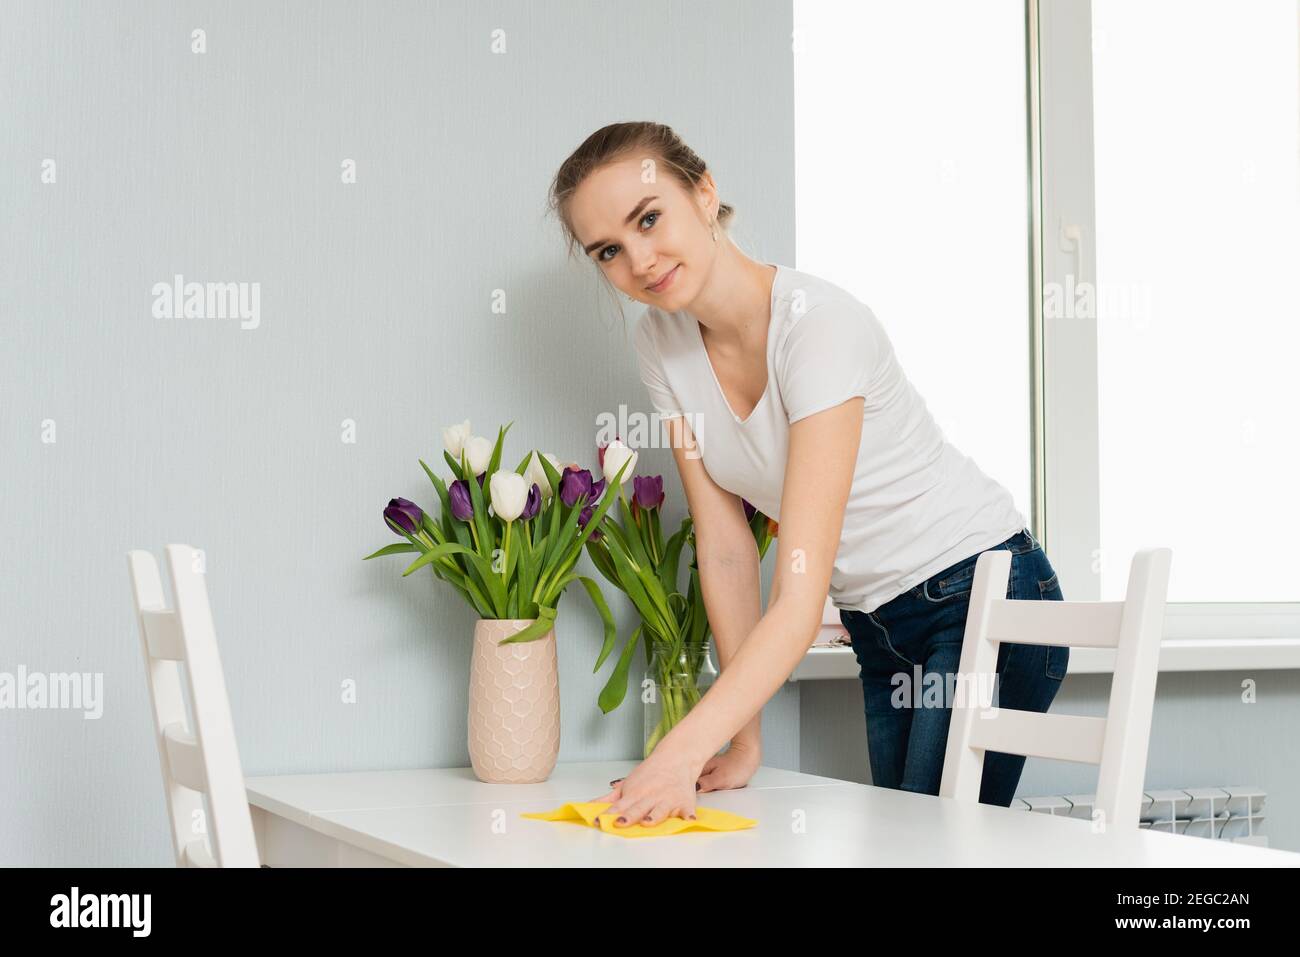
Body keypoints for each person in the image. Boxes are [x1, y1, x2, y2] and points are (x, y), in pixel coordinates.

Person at [548, 121, 1067, 829]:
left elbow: (797, 595)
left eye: (648, 218)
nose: (638, 259)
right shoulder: (661, 343)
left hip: (982, 594)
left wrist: (678, 750)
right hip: (877, 626)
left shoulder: (818, 327)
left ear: (704, 193)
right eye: (609, 249)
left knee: (925, 849)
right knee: (906, 847)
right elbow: (727, 547)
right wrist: (743, 739)